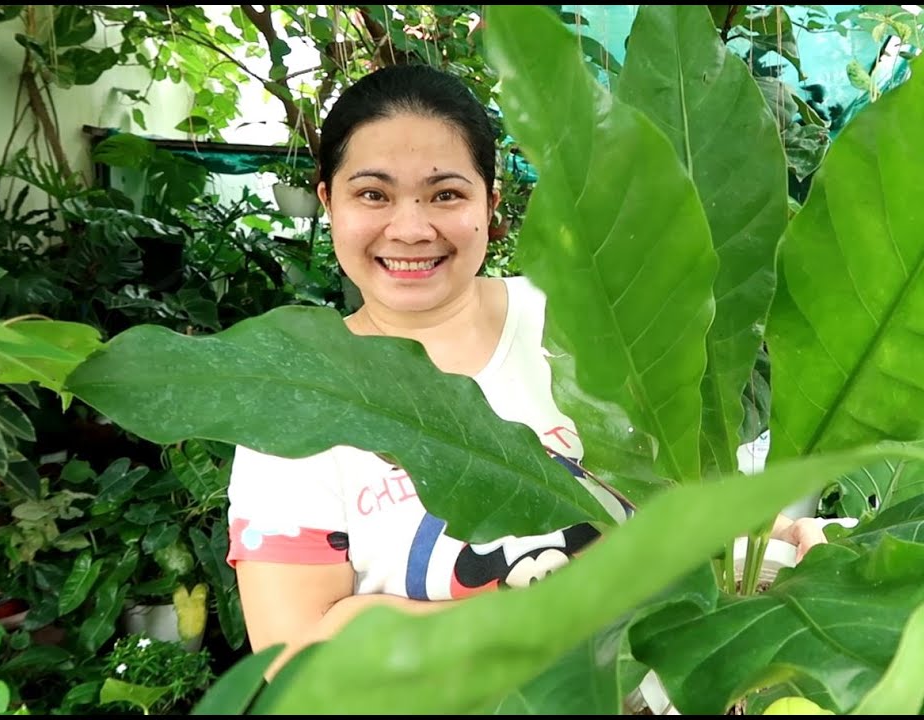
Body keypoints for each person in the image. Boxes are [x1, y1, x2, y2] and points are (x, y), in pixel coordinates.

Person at [225, 63, 826, 676]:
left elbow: (671, 486)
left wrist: (776, 536)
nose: (410, 228)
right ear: (329, 201)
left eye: (445, 194)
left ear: (491, 200)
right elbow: (294, 661)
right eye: (373, 193)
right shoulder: (294, 402)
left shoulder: (579, 320)